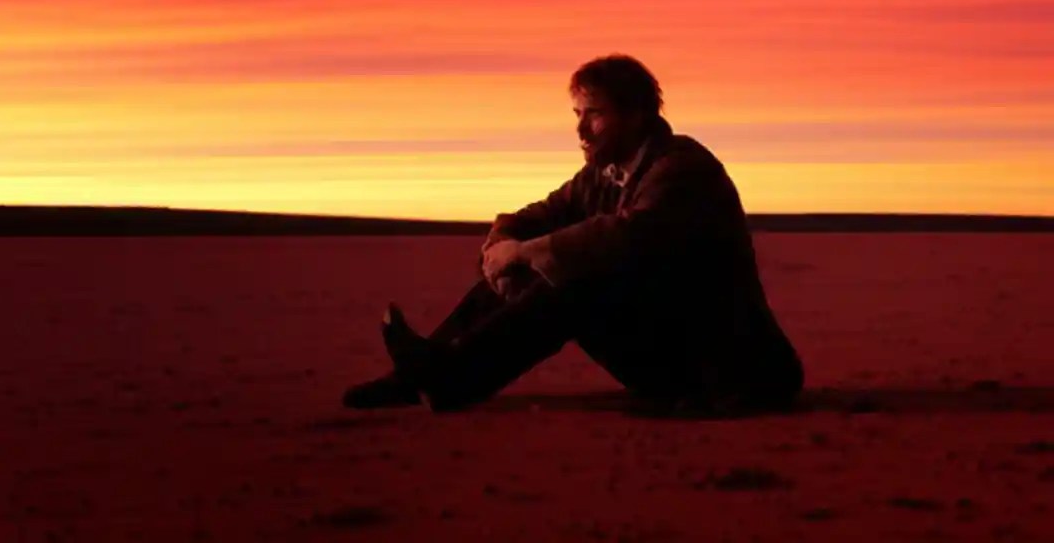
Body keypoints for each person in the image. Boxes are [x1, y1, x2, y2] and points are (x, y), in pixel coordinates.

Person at [342, 54, 804, 415]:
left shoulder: (681, 168)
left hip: (730, 368)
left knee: (574, 281)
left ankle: (444, 379)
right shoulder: (602, 175)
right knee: (533, 270)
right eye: (577, 114)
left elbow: (627, 237)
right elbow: (534, 216)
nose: (581, 129)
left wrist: (526, 252)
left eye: (595, 115)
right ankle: (417, 377)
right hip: (672, 353)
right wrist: (502, 250)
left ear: (637, 116)